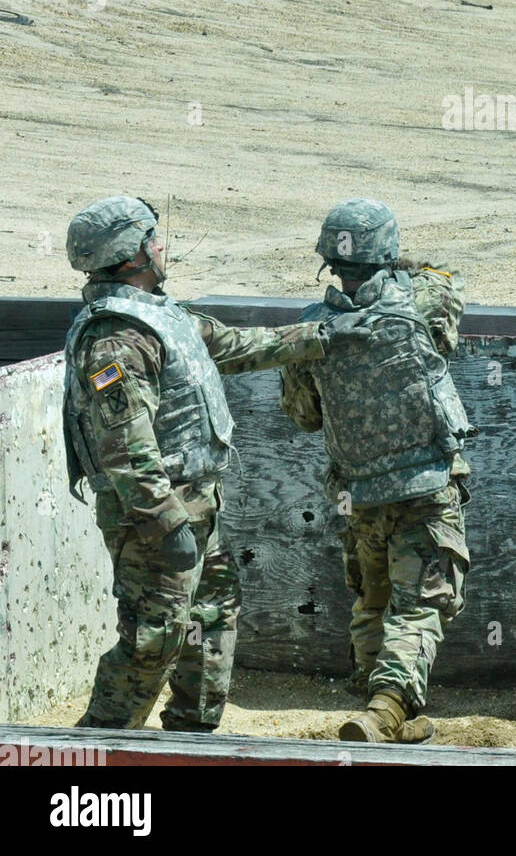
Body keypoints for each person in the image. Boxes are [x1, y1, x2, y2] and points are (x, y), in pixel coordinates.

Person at [63, 194, 333, 732]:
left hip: (195, 502)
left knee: (211, 618)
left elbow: (236, 346)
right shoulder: (117, 339)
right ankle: (98, 745)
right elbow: (126, 449)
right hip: (154, 513)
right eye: (153, 240)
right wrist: (165, 523)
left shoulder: (162, 317)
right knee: (153, 636)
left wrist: (322, 336)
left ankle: (193, 733)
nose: (163, 247)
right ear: (131, 255)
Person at [279, 198, 472, 744]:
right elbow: (447, 281)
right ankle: (386, 711)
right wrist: (401, 267)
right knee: (421, 607)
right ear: (386, 251)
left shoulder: (309, 329)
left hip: (357, 494)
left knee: (374, 597)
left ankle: (373, 700)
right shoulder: (424, 299)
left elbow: (303, 415)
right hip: (427, 487)